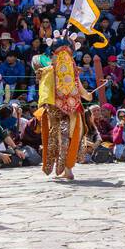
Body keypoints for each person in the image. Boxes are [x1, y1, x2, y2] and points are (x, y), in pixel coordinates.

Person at [32, 36, 93, 181]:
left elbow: (44, 92)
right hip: (73, 110)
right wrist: (88, 95)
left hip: (56, 110)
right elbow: (85, 94)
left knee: (57, 139)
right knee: (70, 138)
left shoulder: (48, 71)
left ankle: (64, 169)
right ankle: (68, 169)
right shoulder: (73, 71)